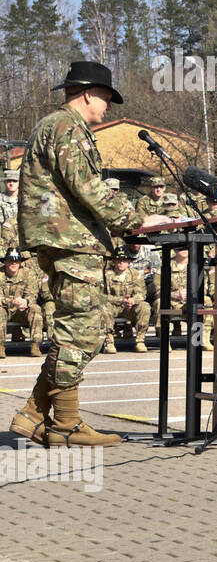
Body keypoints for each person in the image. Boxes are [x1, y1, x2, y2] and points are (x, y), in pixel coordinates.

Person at [9, 62, 170, 446]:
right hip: (69, 242)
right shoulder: (65, 127)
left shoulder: (61, 127)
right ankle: (64, 424)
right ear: (87, 93)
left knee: (91, 328)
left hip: (70, 240)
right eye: (106, 98)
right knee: (80, 331)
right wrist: (136, 221)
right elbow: (88, 188)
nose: (108, 106)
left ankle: (33, 412)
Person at [0, 248, 43, 358]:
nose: (13, 263)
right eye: (10, 260)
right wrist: (12, 302)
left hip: (21, 311)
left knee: (35, 309)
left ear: (20, 262)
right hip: (4, 309)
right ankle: (0, 346)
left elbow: (32, 294)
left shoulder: (28, 274)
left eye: (16, 260)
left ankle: (35, 345)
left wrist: (26, 301)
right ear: (5, 262)